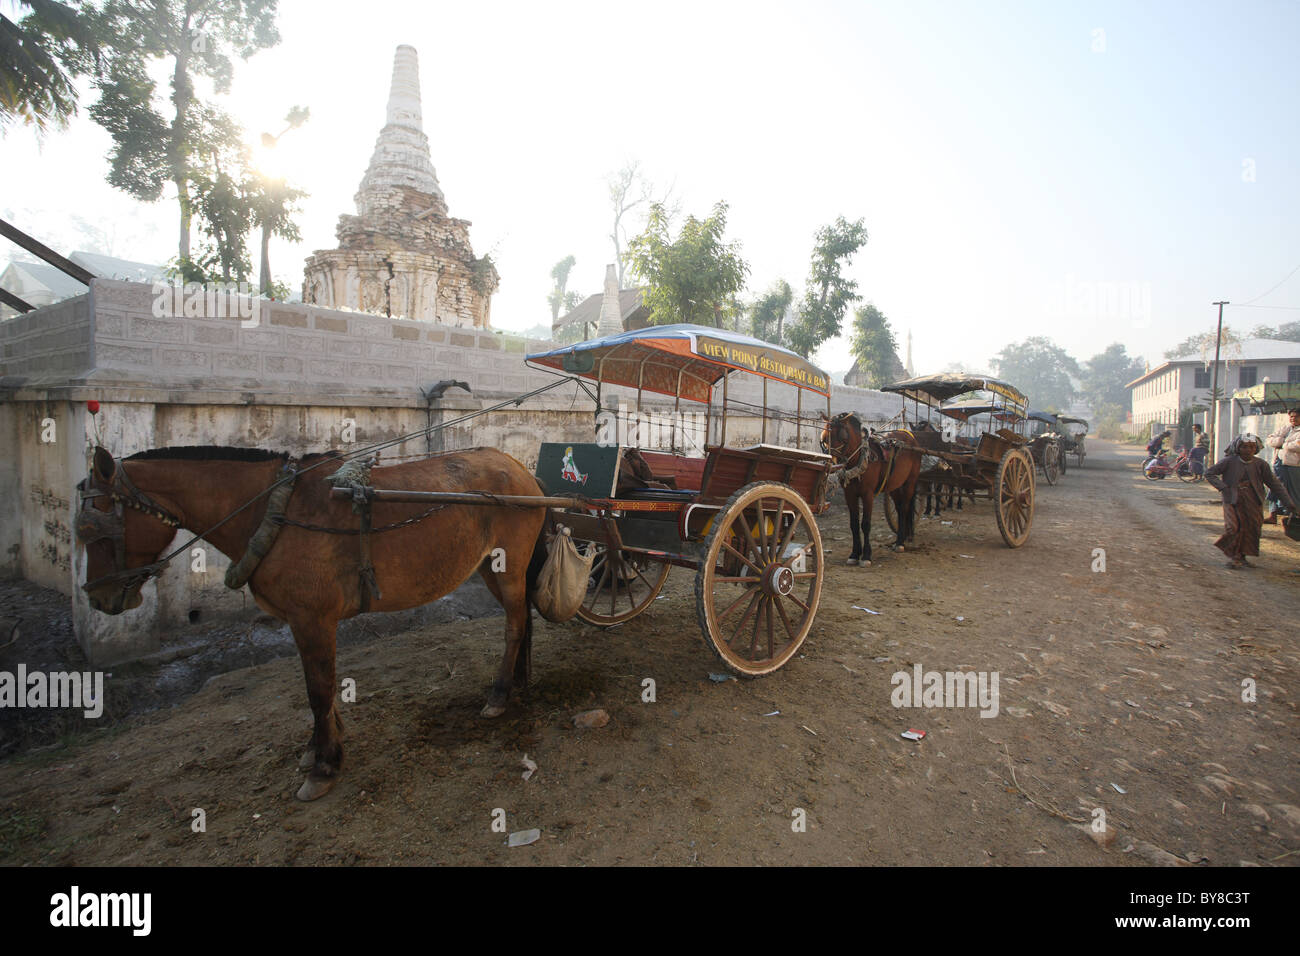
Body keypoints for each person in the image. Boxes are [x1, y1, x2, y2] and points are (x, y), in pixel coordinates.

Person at [1205, 433, 1300, 568]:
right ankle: (1234, 556)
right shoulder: (1229, 461)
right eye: (1244, 447)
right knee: (1233, 528)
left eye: (1251, 447)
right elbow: (1209, 473)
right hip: (1232, 499)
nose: (1248, 450)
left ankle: (1241, 556)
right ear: (1238, 448)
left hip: (1253, 500)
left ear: (1256, 448)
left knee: (1251, 528)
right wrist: (1224, 487)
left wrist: (1289, 503)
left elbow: (1275, 484)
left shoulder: (1261, 464)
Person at [1263, 406, 1300, 525]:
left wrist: (1282, 443)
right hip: (1279, 463)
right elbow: (1270, 440)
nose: (1293, 419)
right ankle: (1272, 515)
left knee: (1293, 492)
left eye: (1296, 416)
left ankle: (1293, 518)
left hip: (1294, 465)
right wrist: (1284, 443)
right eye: (1292, 416)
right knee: (1274, 489)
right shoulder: (1286, 428)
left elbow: (1297, 446)